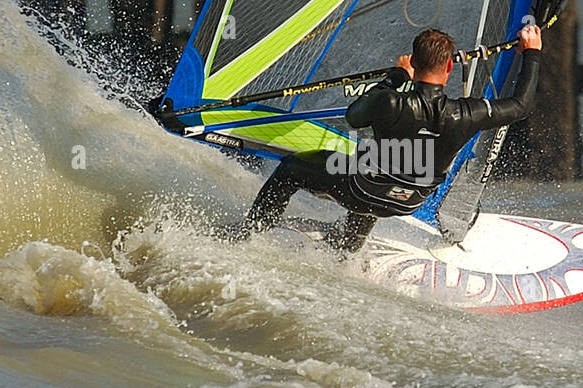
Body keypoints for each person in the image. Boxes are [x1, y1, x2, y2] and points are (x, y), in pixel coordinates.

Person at [223, 24, 544, 252]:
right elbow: (521, 105)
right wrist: (531, 52)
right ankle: (346, 246)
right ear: (449, 67)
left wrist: (395, 76)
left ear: (414, 63)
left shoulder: (391, 101)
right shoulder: (466, 114)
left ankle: (250, 236)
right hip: (407, 202)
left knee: (293, 168)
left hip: (360, 188)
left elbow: (354, 116)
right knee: (385, 175)